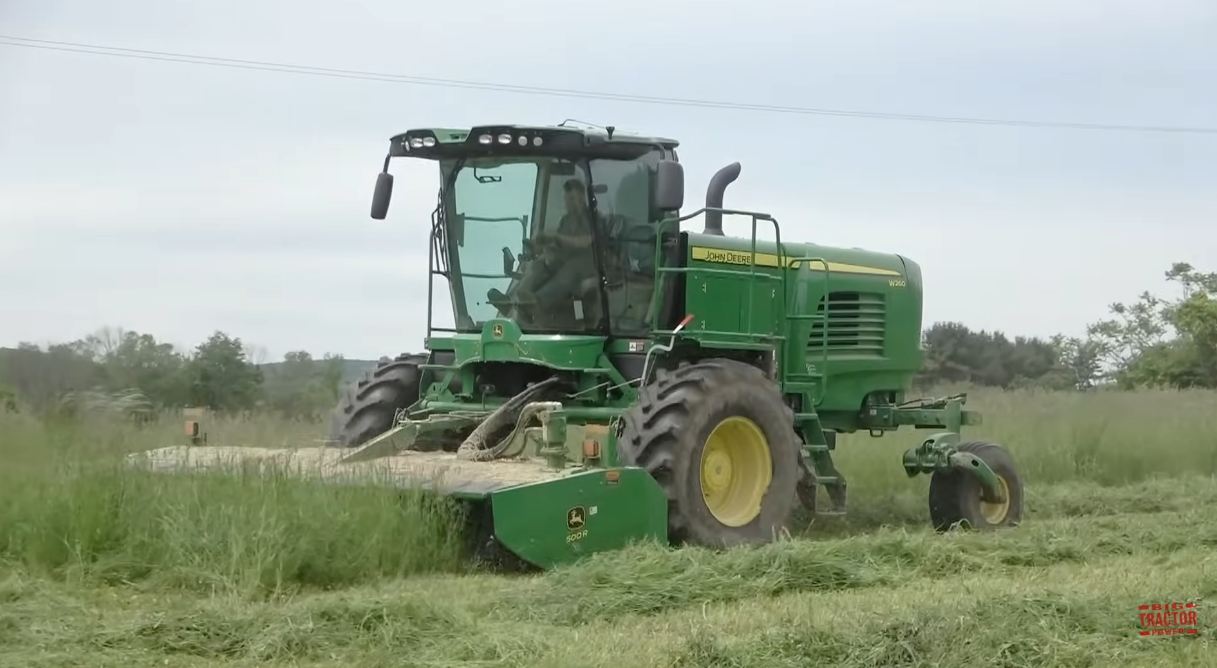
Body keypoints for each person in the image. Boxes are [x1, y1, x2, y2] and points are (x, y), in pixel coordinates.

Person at [489, 179, 598, 318]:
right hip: (565, 259)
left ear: (582, 198)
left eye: (572, 199)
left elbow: (586, 241)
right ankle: (513, 303)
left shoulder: (592, 218)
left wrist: (556, 238)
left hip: (587, 264)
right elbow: (559, 244)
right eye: (566, 199)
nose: (568, 203)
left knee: (568, 271)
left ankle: (536, 303)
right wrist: (541, 247)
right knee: (539, 264)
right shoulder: (566, 220)